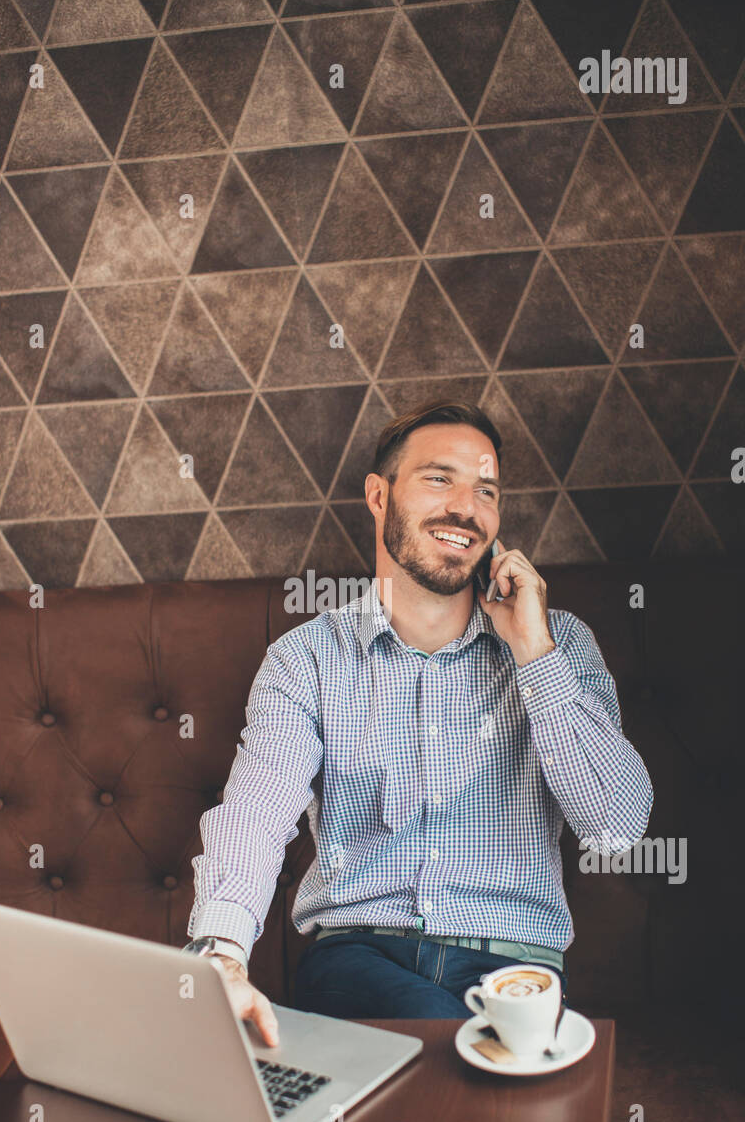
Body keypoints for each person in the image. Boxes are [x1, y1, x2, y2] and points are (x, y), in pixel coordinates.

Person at [184, 400, 653, 1046]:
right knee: (460, 1056)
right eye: (440, 478)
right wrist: (221, 956)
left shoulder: (561, 646)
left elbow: (616, 830)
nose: (466, 507)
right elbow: (255, 815)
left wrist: (533, 656)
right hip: (356, 961)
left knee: (457, 1068)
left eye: (485, 490)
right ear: (379, 496)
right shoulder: (305, 660)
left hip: (516, 969)